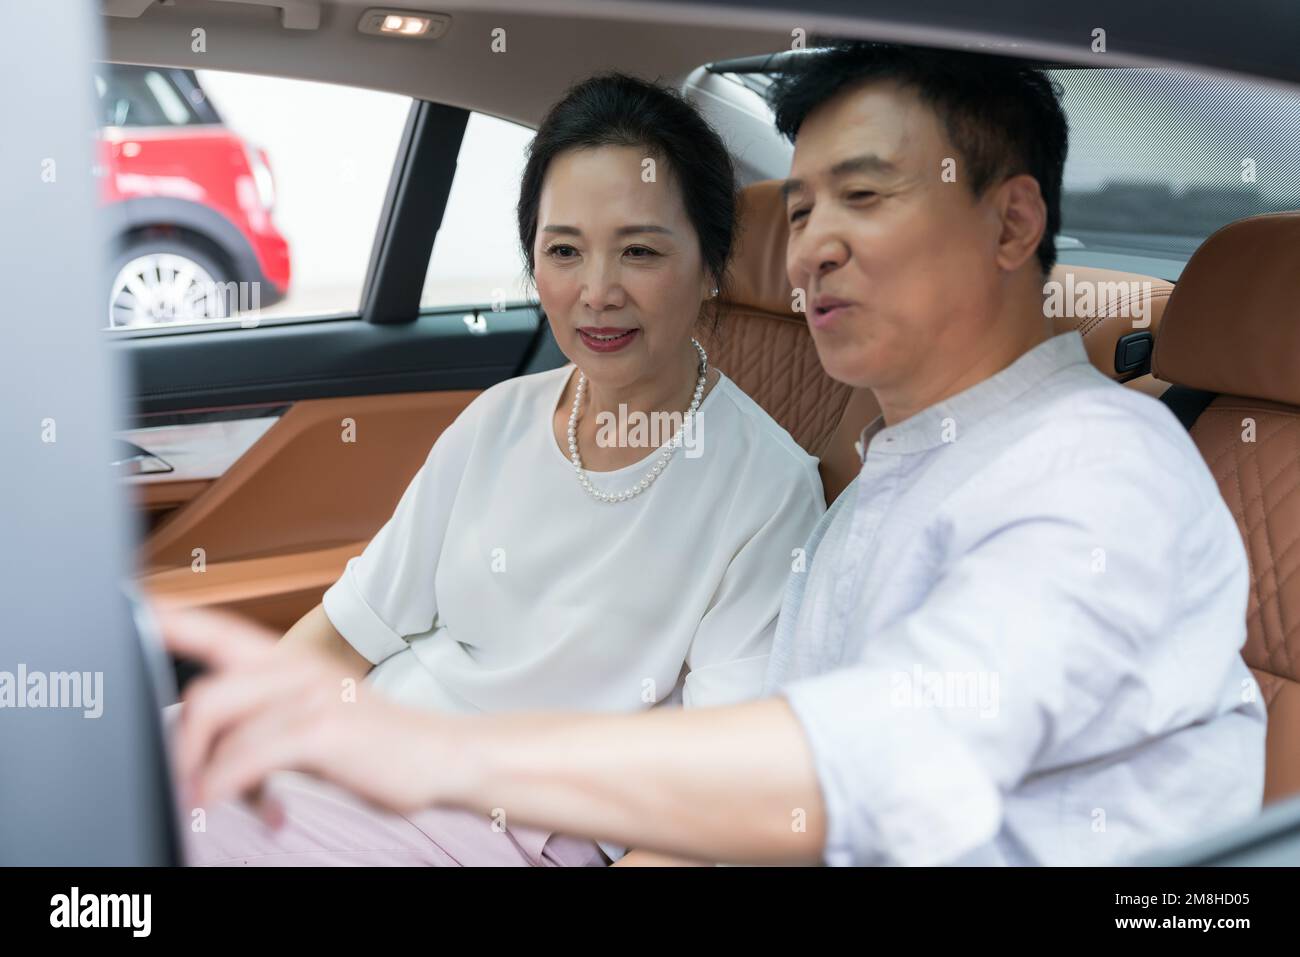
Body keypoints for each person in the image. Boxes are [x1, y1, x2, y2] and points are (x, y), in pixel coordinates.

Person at [162, 43, 1265, 866]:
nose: (811, 244)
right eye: (801, 204)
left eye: (865, 195)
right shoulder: (896, 465)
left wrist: (436, 762)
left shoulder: (1096, 476)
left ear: (1012, 225)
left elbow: (888, 756)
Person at [175, 72, 825, 867]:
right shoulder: (497, 420)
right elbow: (344, 636)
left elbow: (718, 799)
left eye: (641, 251)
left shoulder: (768, 491)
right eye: (564, 251)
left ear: (711, 264)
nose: (596, 292)